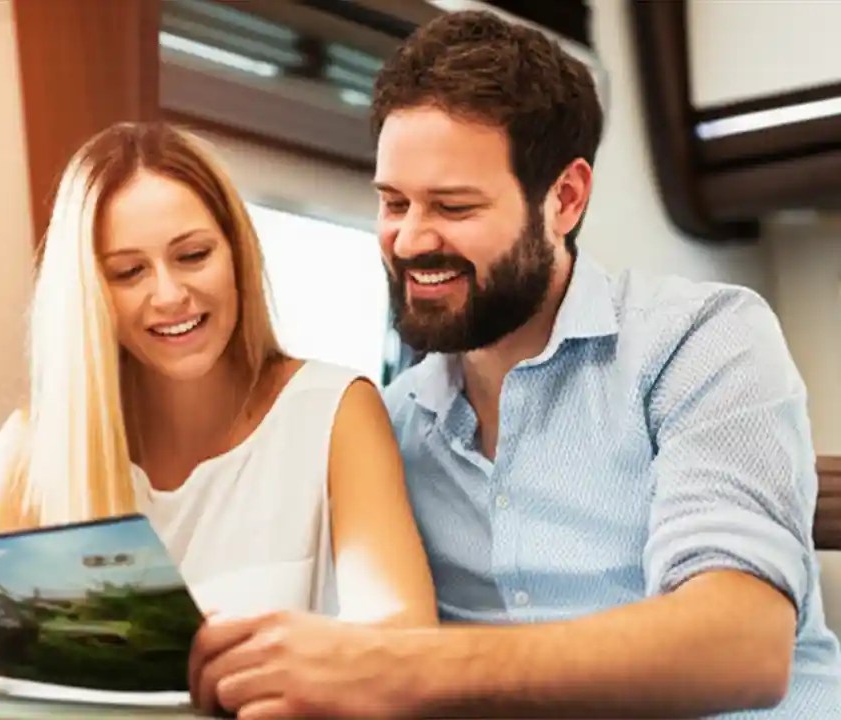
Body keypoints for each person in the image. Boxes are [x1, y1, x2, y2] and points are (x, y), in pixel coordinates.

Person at [189, 10, 841, 719]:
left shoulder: (702, 340)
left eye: (453, 206)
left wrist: (399, 665)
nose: (409, 238)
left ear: (564, 199)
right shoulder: (392, 425)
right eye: (393, 202)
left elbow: (740, 646)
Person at [0, 122, 439, 682]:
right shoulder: (35, 445)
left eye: (193, 255)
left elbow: (402, 636)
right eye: (128, 272)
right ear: (90, 292)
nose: (170, 294)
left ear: (236, 256)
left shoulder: (335, 411)